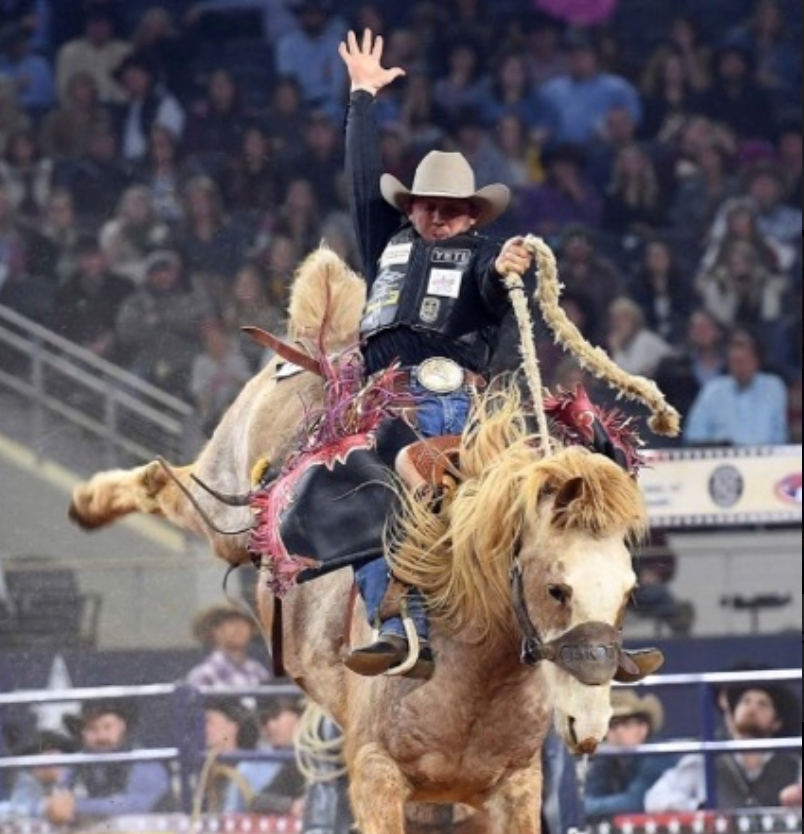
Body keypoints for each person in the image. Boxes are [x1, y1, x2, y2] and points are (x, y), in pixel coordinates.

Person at [337, 28, 535, 680]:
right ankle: (398, 625)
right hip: (384, 401)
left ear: (472, 216)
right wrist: (362, 98)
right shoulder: (385, 239)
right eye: (429, 207)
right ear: (412, 206)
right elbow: (362, 174)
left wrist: (510, 271)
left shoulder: (485, 257)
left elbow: (495, 289)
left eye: (452, 210)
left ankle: (569, 629)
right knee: (364, 489)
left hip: (454, 405)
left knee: (532, 498)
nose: (438, 218)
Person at [645, 677, 801, 810]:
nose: (752, 708)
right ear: (732, 714)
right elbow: (656, 798)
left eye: (762, 704)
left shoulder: (794, 763)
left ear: (777, 722)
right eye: (745, 702)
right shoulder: (705, 758)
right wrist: (696, 808)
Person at [44, 699, 174, 825]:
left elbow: (135, 806)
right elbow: (53, 801)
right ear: (83, 733)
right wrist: (52, 806)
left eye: (107, 727)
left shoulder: (144, 761)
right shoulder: (77, 763)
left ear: (122, 726)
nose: (101, 736)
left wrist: (76, 806)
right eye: (92, 729)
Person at [683, 327, 788, 446]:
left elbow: (779, 438)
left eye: (744, 361)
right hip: (722, 460)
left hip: (764, 459)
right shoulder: (712, 390)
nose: (740, 368)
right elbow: (693, 437)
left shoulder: (774, 387)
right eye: (735, 362)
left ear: (757, 360)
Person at [585, 690, 676, 819]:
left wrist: (588, 808)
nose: (616, 731)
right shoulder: (607, 757)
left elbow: (635, 803)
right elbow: (591, 793)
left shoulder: (657, 754)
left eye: (624, 723)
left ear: (643, 728)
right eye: (610, 724)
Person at [186, 603, 272, 689]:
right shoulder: (204, 674)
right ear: (214, 631)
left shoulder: (258, 671)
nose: (240, 628)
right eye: (232, 623)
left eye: (245, 623)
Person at [0, 730, 76, 819]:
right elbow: (17, 808)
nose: (58, 768)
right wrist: (46, 807)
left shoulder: (64, 778)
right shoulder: (25, 780)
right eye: (53, 762)